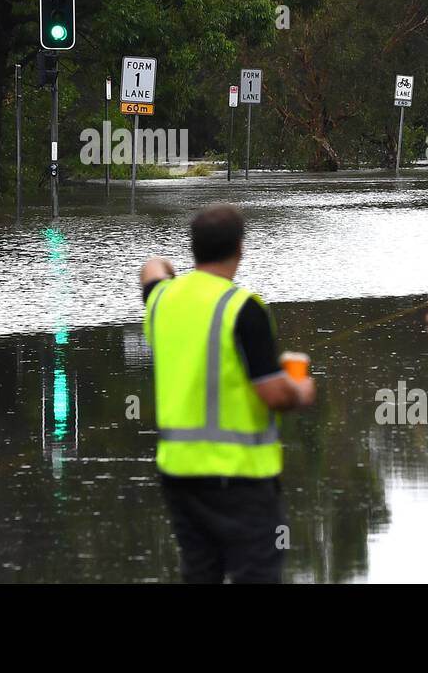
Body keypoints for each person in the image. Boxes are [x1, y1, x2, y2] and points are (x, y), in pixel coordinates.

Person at [140, 203, 315, 583]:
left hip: (180, 476)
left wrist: (168, 272)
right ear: (240, 249)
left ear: (194, 249)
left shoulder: (162, 301)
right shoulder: (244, 309)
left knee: (200, 573)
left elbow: (151, 269)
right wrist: (300, 390)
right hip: (240, 479)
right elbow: (273, 394)